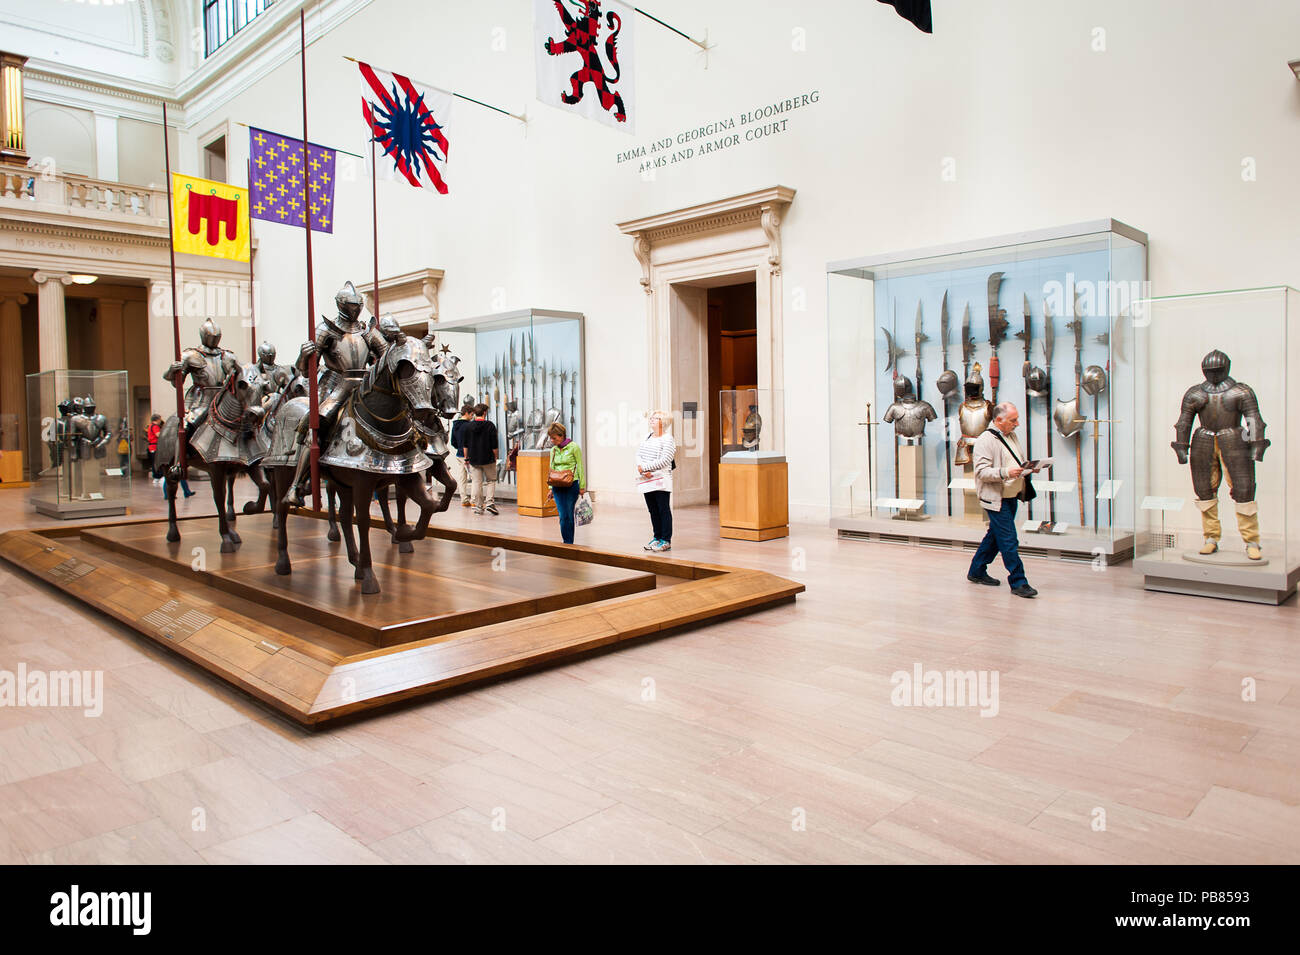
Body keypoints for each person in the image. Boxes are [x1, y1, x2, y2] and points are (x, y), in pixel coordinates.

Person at [967, 402, 1039, 598]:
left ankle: (976, 571)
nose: (1017, 424)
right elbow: (982, 472)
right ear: (998, 420)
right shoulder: (985, 440)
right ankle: (1018, 582)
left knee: (995, 537)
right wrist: (1006, 472)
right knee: (1008, 540)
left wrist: (1028, 468)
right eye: (1013, 420)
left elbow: (1014, 461)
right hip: (995, 498)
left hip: (1011, 495)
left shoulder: (1011, 435)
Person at [636, 411, 676, 552]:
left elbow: (665, 460)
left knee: (663, 509)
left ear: (663, 422)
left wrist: (645, 468)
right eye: (651, 418)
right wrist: (641, 469)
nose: (651, 420)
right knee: (653, 510)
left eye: (655, 418)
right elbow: (639, 454)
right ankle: (657, 537)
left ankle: (666, 540)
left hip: (660, 479)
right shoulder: (647, 437)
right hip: (647, 478)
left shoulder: (668, 439)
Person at [546, 422, 586, 544]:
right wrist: (550, 488)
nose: (552, 440)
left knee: (568, 515)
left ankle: (569, 542)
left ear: (561, 435)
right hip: (557, 487)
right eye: (551, 438)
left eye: (554, 438)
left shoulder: (574, 447)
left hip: (571, 485)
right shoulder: (553, 450)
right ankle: (566, 542)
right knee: (563, 516)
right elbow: (551, 468)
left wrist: (582, 486)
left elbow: (580, 466)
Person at [462, 402, 499, 515]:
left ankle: (478, 506)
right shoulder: (490, 425)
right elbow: (494, 445)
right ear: (484, 412)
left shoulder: (468, 426)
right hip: (488, 458)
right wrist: (496, 456)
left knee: (477, 482)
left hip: (474, 458)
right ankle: (489, 503)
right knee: (491, 480)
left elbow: (465, 445)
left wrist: (466, 458)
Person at [449, 401, 475, 508]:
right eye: (472, 414)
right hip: (468, 455)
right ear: (467, 413)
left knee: (462, 478)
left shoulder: (455, 425)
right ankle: (474, 500)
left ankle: (464, 499)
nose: (472, 416)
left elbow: (453, 441)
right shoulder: (469, 426)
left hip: (459, 454)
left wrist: (459, 447)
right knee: (475, 478)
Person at [146, 414, 162, 484]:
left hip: (152, 447)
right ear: (157, 419)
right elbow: (158, 435)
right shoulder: (155, 426)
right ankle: (157, 476)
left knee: (154, 462)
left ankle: (156, 476)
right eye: (160, 419)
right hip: (154, 447)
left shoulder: (150, 426)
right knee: (157, 462)